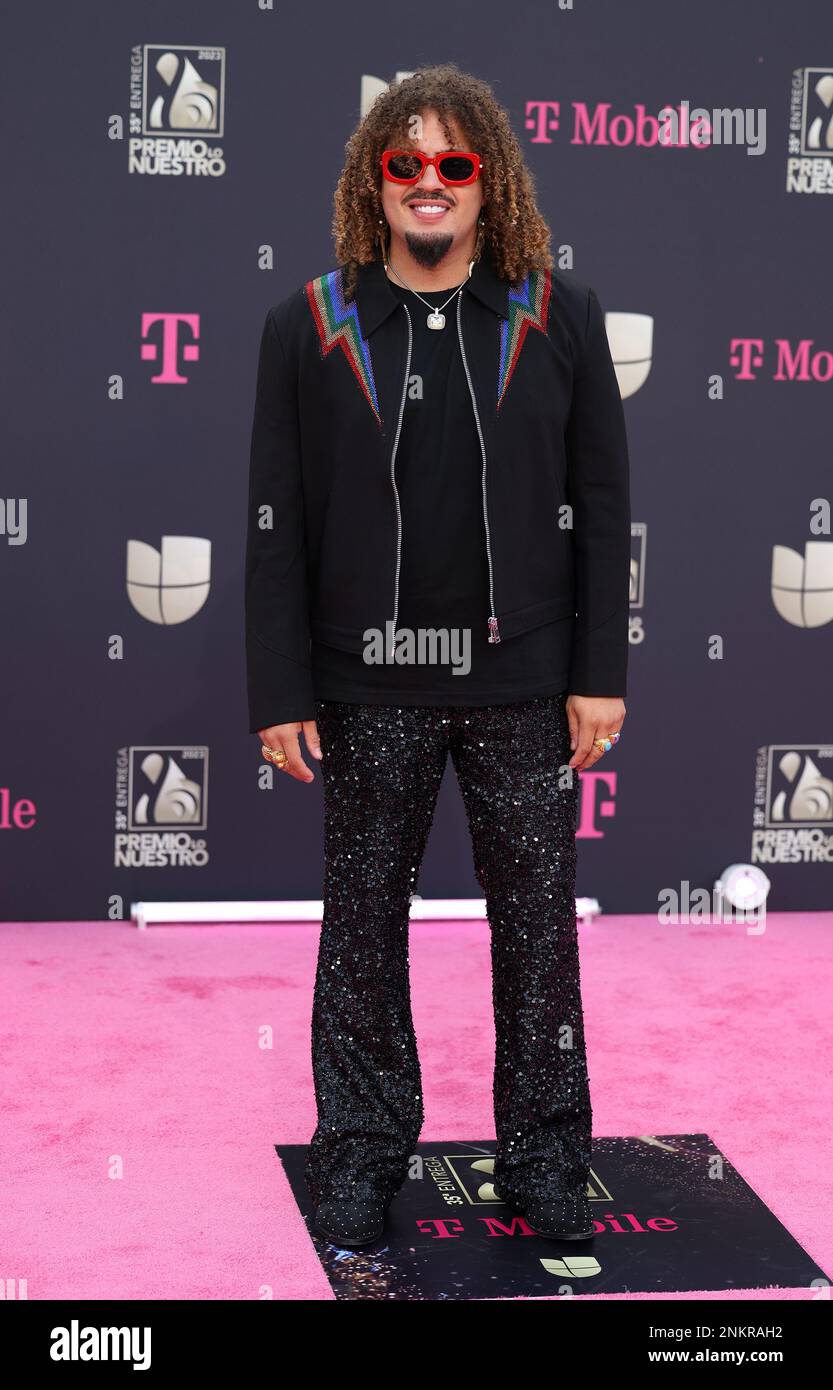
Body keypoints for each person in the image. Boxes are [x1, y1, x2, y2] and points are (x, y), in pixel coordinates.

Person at [245, 63, 630, 1248]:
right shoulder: (306, 322)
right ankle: (360, 1157)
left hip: (522, 687)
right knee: (361, 927)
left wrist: (598, 670)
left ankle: (546, 1157)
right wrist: (280, 688)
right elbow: (275, 517)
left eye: (451, 164)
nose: (427, 182)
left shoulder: (557, 314)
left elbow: (603, 504)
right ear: (374, 180)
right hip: (368, 686)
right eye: (402, 162)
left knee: (538, 931)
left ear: (487, 183)